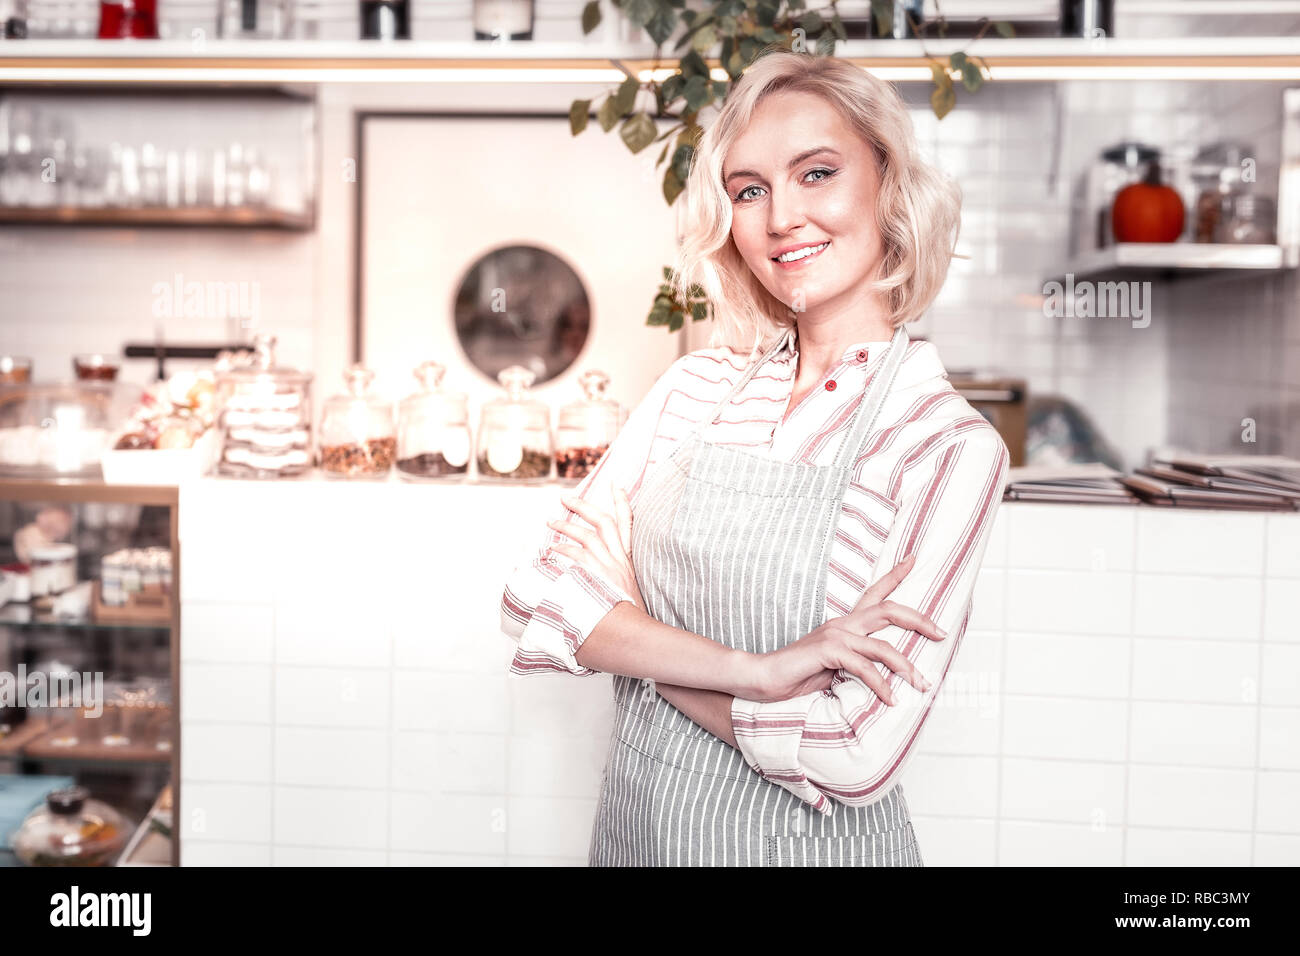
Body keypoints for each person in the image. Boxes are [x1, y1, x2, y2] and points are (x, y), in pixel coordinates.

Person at [499, 48, 1010, 867]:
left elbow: (853, 751)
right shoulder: (695, 388)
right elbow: (536, 598)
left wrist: (636, 637)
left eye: (816, 173)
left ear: (889, 182)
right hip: (638, 840)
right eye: (749, 190)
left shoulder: (945, 447)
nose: (780, 219)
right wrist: (761, 673)